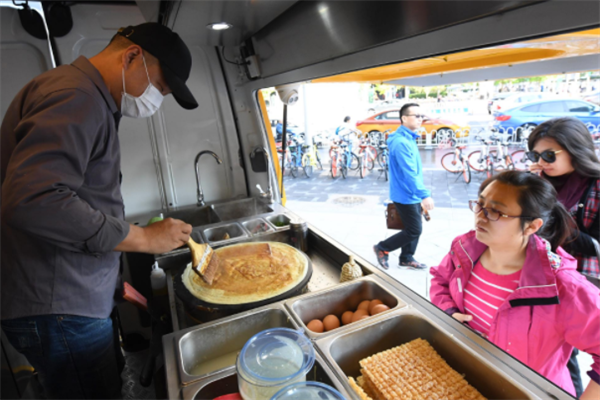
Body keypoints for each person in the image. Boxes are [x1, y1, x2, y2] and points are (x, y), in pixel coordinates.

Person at [0, 23, 198, 399]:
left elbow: (76, 200)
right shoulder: (76, 97)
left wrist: (105, 277)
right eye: (160, 87)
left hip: (69, 296)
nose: (157, 99)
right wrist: (141, 237)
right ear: (132, 55)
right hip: (59, 307)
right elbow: (33, 199)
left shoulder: (85, 97)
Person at [430, 171, 600, 399]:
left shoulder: (562, 287)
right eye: (480, 205)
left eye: (496, 212)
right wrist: (448, 311)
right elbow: (440, 280)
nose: (480, 216)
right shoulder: (464, 249)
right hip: (470, 380)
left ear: (531, 226)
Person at [527, 117, 600, 397]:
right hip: (542, 274)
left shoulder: (595, 185)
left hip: (581, 281)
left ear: (576, 150)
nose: (541, 161)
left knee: (571, 345)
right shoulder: (539, 181)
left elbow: (593, 243)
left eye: (549, 154)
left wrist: (551, 216)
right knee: (554, 348)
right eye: (535, 155)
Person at [373, 103, 434, 270]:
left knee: (412, 227)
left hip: (410, 193)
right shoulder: (401, 142)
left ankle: (406, 258)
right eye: (417, 115)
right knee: (414, 230)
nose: (421, 119)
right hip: (405, 194)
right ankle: (382, 247)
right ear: (404, 118)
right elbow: (409, 173)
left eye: (422, 116)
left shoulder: (408, 138)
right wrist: (424, 194)